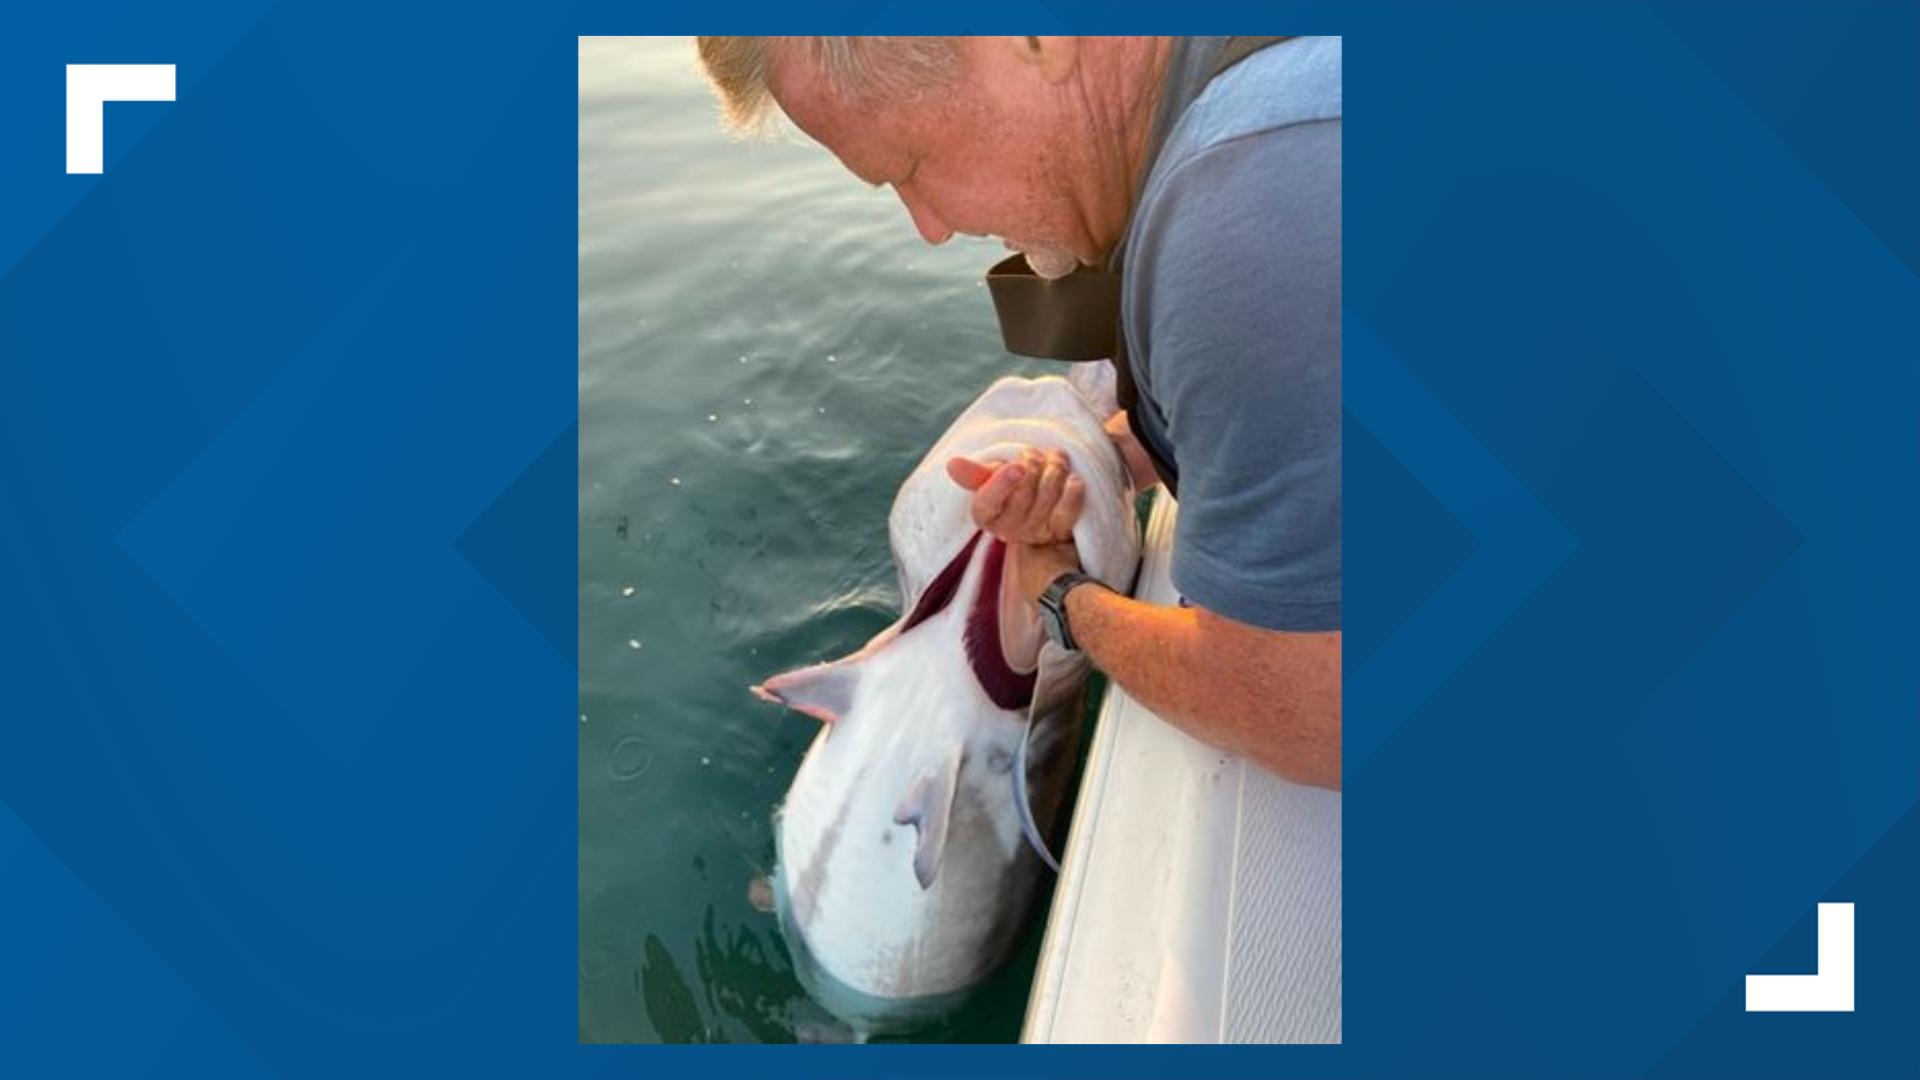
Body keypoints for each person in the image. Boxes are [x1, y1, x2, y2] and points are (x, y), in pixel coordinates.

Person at [697, 36, 1341, 790]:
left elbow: (1316, 716)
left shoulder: (1251, 203)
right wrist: (1104, 457)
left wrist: (1063, 595)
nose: (929, 227)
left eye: (909, 168)